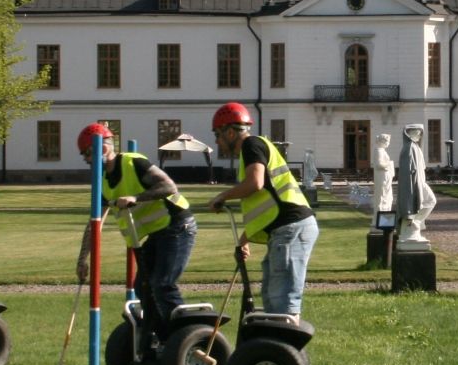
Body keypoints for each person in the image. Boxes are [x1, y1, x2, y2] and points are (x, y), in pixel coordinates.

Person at [75, 122, 197, 341]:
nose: (86, 161)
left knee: (162, 283)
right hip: (157, 234)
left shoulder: (133, 162)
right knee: (142, 286)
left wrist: (136, 198)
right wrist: (82, 259)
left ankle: (184, 336)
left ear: (103, 148)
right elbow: (94, 223)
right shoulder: (103, 181)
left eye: (87, 154)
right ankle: (158, 338)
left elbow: (169, 187)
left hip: (178, 225)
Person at [207, 102, 318, 321]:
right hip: (285, 228)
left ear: (231, 132)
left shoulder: (251, 145)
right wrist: (245, 238)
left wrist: (222, 196)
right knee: (270, 296)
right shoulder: (250, 151)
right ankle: (274, 339)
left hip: (291, 227)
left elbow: (255, 183)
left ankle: (285, 340)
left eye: (218, 135)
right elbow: (265, 203)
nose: (217, 141)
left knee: (282, 299)